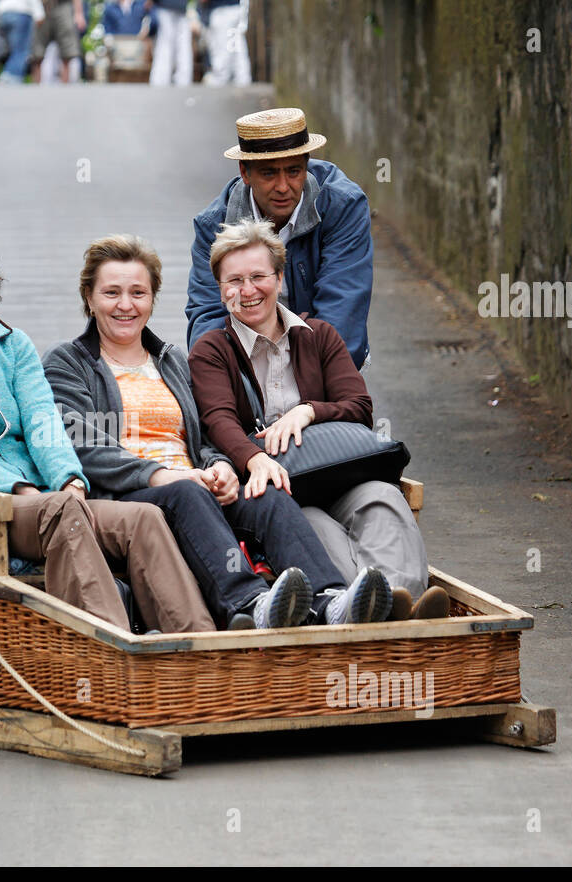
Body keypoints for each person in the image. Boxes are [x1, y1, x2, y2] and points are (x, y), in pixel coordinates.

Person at [42, 235, 393, 630]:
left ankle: (331, 600)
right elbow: (81, 444)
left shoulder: (170, 359)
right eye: (112, 293)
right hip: (131, 497)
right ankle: (249, 602)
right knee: (186, 492)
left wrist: (220, 465)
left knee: (266, 495)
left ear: (152, 299)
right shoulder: (68, 362)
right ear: (89, 298)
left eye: (138, 292)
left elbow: (203, 433)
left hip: (195, 486)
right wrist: (165, 475)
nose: (126, 305)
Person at [0, 219, 215, 635]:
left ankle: (197, 646)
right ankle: (115, 649)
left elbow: (44, 422)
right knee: (60, 509)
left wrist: (69, 479)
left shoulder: (12, 344)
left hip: (48, 501)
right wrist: (19, 489)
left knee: (143, 518)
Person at [188, 219, 451, 620]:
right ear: (220, 289)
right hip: (282, 492)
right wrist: (255, 458)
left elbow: (359, 406)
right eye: (233, 280)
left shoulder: (319, 335)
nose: (247, 290)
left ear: (279, 277)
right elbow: (218, 418)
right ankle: (359, 610)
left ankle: (403, 603)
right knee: (311, 526)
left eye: (258, 276)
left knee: (383, 498)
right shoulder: (211, 350)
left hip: (338, 474)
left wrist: (308, 410)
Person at [186, 107, 374, 371]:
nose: (284, 187)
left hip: (323, 365)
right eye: (269, 173)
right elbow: (207, 317)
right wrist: (232, 381)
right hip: (246, 368)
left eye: (294, 171)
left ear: (307, 165)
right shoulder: (215, 225)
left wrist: (304, 398)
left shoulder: (342, 206)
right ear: (245, 172)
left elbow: (343, 310)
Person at [30, 0, 86, 83]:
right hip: (40, 6)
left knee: (67, 52)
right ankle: (35, 90)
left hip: (63, 5)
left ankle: (64, 90)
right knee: (37, 53)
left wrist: (79, 13)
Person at [200, 0, 250, 87]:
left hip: (222, 11)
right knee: (237, 49)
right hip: (235, 9)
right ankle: (242, 80)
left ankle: (220, 79)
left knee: (222, 51)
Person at [0, 0, 40, 84]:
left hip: (3, 12)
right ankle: (10, 77)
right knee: (20, 50)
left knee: (9, 50)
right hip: (21, 13)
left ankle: (7, 74)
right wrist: (39, 13)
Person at [149, 0, 192, 86]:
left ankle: (161, 81)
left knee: (165, 45)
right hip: (181, 6)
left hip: (166, 5)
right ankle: (184, 80)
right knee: (183, 46)